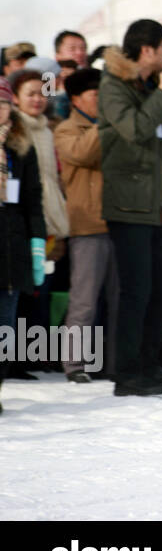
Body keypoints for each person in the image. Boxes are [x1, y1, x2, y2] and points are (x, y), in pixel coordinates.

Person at [98, 20, 162, 396]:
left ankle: (150, 363)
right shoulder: (113, 85)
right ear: (147, 50)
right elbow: (137, 129)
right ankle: (127, 373)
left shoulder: (149, 87)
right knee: (136, 290)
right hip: (127, 205)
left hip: (157, 205)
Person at [53, 67, 121, 382]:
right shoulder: (67, 129)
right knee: (84, 301)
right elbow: (83, 153)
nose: (103, 100)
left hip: (119, 222)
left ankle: (114, 361)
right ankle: (75, 364)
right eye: (97, 95)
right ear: (77, 98)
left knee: (119, 299)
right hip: (87, 225)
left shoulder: (112, 125)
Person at [9, 68, 69, 359]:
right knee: (22, 291)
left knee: (42, 289)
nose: (37, 99)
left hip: (49, 215)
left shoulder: (47, 129)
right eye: (29, 94)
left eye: (42, 93)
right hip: (25, 219)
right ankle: (19, 357)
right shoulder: (16, 129)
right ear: (15, 99)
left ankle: (37, 354)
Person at [1, 78, 48, 407]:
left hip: (12, 249)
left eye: (4, 104)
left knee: (6, 326)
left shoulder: (22, 146)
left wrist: (37, 244)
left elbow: (34, 199)